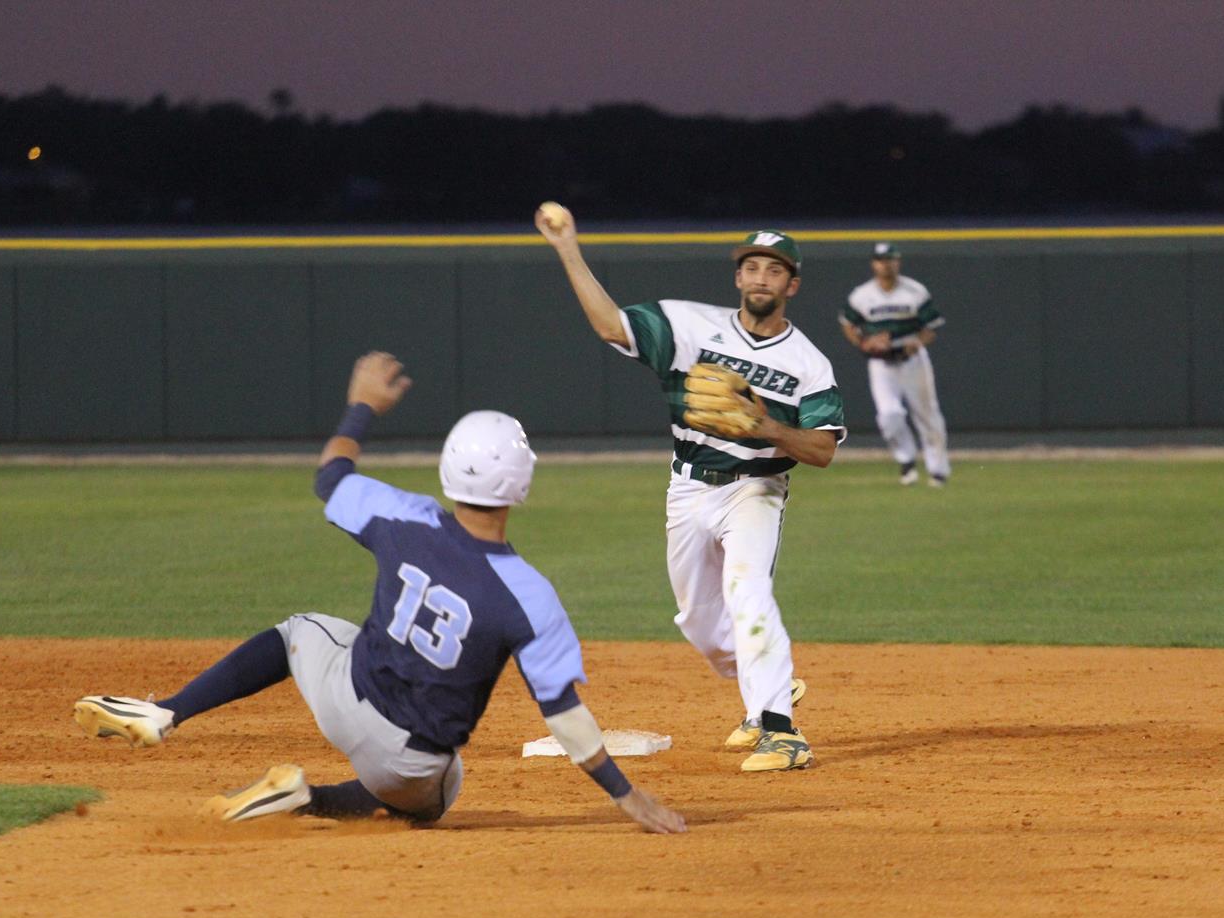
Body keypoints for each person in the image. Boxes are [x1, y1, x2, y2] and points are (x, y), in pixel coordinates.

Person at [73, 352, 685, 834]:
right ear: (521, 483)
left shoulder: (406, 517)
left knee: (299, 631)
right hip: (407, 765)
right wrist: (625, 796)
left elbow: (331, 476)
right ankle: (308, 801)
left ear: (449, 469)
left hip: (344, 700)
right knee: (441, 790)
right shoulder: (529, 594)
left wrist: (361, 406)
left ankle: (168, 712)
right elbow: (564, 714)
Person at [537, 210, 845, 773]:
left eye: (774, 270)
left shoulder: (809, 364)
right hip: (687, 488)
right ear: (738, 277)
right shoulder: (689, 326)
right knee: (699, 622)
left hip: (756, 489)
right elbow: (611, 327)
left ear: (792, 285)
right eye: (752, 267)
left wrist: (767, 426)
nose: (761, 278)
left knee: (748, 591)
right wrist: (567, 248)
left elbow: (823, 449)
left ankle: (782, 732)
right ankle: (767, 683)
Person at [839, 241, 951, 487]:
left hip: (912, 360)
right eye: (881, 260)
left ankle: (938, 470)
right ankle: (906, 459)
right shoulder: (862, 295)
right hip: (881, 363)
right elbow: (847, 323)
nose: (886, 265)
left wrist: (917, 342)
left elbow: (931, 327)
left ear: (897, 262)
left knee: (927, 414)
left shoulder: (914, 291)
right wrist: (863, 343)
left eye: (890, 260)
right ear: (874, 264)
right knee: (888, 416)